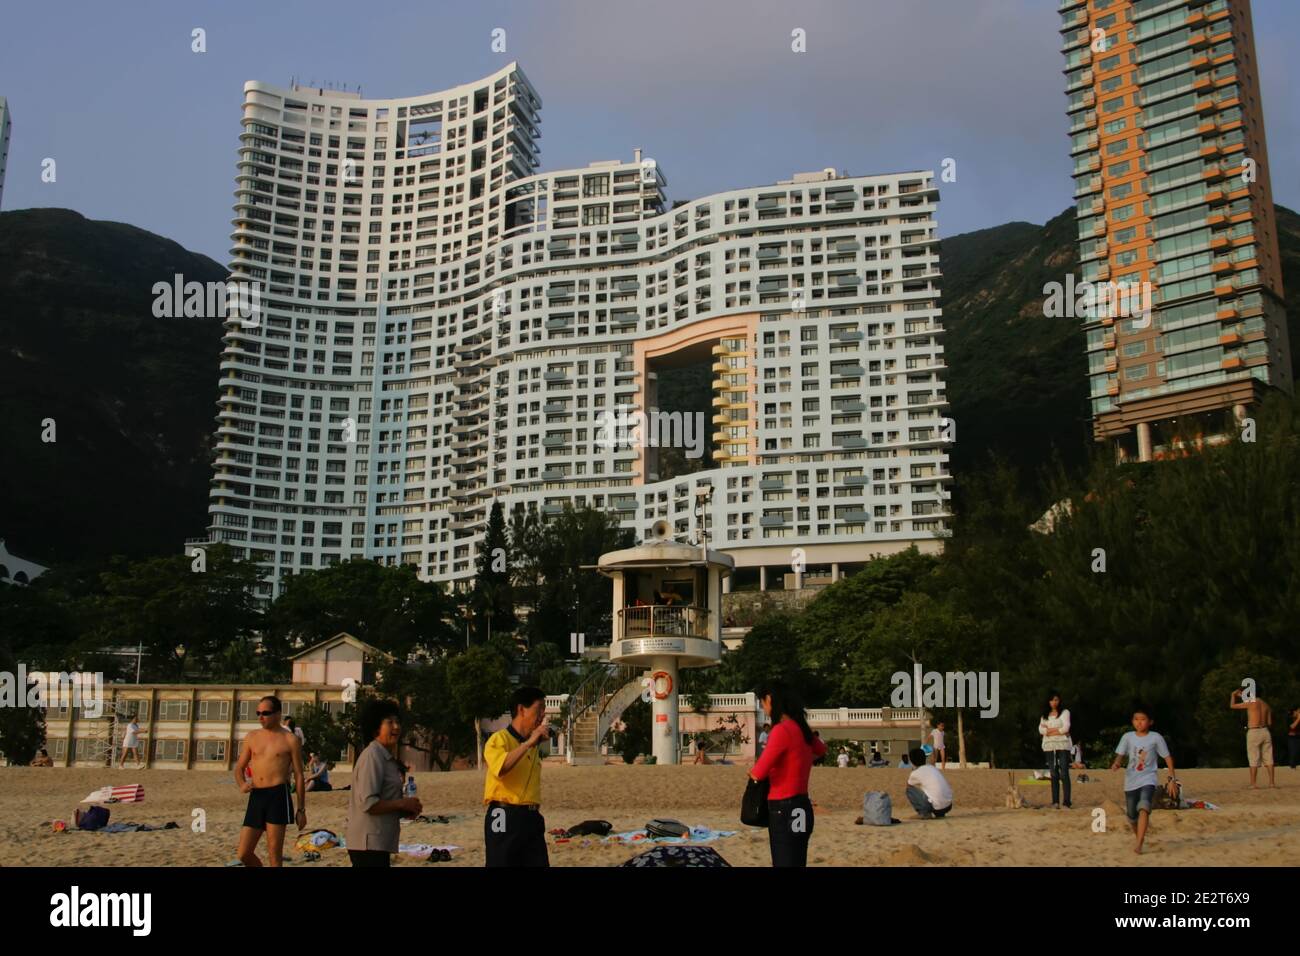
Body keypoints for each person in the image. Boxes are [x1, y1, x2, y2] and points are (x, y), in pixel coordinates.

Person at [749, 680, 827, 867]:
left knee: (784, 861)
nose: (763, 706)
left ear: (770, 699)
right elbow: (821, 749)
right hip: (802, 805)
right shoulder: (801, 728)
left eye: (762, 701)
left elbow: (758, 773)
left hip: (783, 808)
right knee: (797, 860)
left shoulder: (781, 730)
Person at [345, 698, 420, 866]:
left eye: (397, 722)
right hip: (367, 843)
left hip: (379, 842)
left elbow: (385, 801)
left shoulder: (385, 757)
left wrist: (407, 809)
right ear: (375, 728)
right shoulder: (372, 756)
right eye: (390, 722)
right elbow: (369, 804)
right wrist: (401, 804)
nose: (396, 727)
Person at [483, 685, 552, 867]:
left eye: (544, 710)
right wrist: (529, 743)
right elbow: (502, 767)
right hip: (504, 814)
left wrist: (531, 742)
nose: (542, 715)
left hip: (531, 817)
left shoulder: (533, 743)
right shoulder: (498, 739)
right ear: (521, 709)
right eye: (539, 709)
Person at [234, 695, 306, 867]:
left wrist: (301, 809)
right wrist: (242, 784)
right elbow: (239, 768)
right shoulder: (252, 737)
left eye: (265, 713)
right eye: (258, 713)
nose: (261, 717)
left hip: (278, 795)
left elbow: (299, 774)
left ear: (278, 714)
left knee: (274, 855)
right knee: (243, 853)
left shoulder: (290, 740)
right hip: (257, 796)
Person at [1110, 706, 1176, 855]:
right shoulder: (1127, 737)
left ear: (1150, 722)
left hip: (1148, 778)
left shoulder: (1156, 737)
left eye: (1143, 719)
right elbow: (1120, 754)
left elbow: (1167, 757)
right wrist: (1117, 763)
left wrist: (1172, 778)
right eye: (1136, 719)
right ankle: (1139, 836)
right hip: (1131, 780)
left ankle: (1139, 843)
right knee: (1132, 816)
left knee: (1144, 807)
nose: (1139, 722)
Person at [1230, 688, 1275, 788]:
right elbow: (1270, 723)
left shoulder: (1251, 702)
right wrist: (1241, 695)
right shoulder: (1266, 705)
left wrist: (1233, 695)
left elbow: (1232, 706)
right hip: (1265, 731)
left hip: (1254, 731)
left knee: (1253, 757)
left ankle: (1253, 783)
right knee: (1269, 757)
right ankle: (1271, 783)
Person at [1039, 692, 1072, 809]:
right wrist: (1055, 730)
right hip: (1049, 745)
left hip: (1062, 744)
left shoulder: (1065, 712)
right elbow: (1041, 730)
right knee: (1053, 773)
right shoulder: (1044, 715)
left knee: (1064, 772)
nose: (1054, 702)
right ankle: (1055, 801)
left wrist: (1050, 730)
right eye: (1052, 700)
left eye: (1056, 700)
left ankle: (1067, 802)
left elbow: (1065, 728)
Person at [905, 747, 953, 819]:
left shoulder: (915, 773)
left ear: (912, 761)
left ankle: (923, 813)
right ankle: (940, 814)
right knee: (930, 790)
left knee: (909, 790)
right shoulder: (931, 767)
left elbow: (908, 785)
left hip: (936, 807)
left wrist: (913, 770)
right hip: (948, 806)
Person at [1288, 707, 1300, 771]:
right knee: (1293, 752)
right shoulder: (1290, 718)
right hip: (1292, 738)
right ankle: (1292, 766)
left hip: (1298, 737)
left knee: (1297, 752)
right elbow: (1292, 727)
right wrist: (1298, 718)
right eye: (1297, 712)